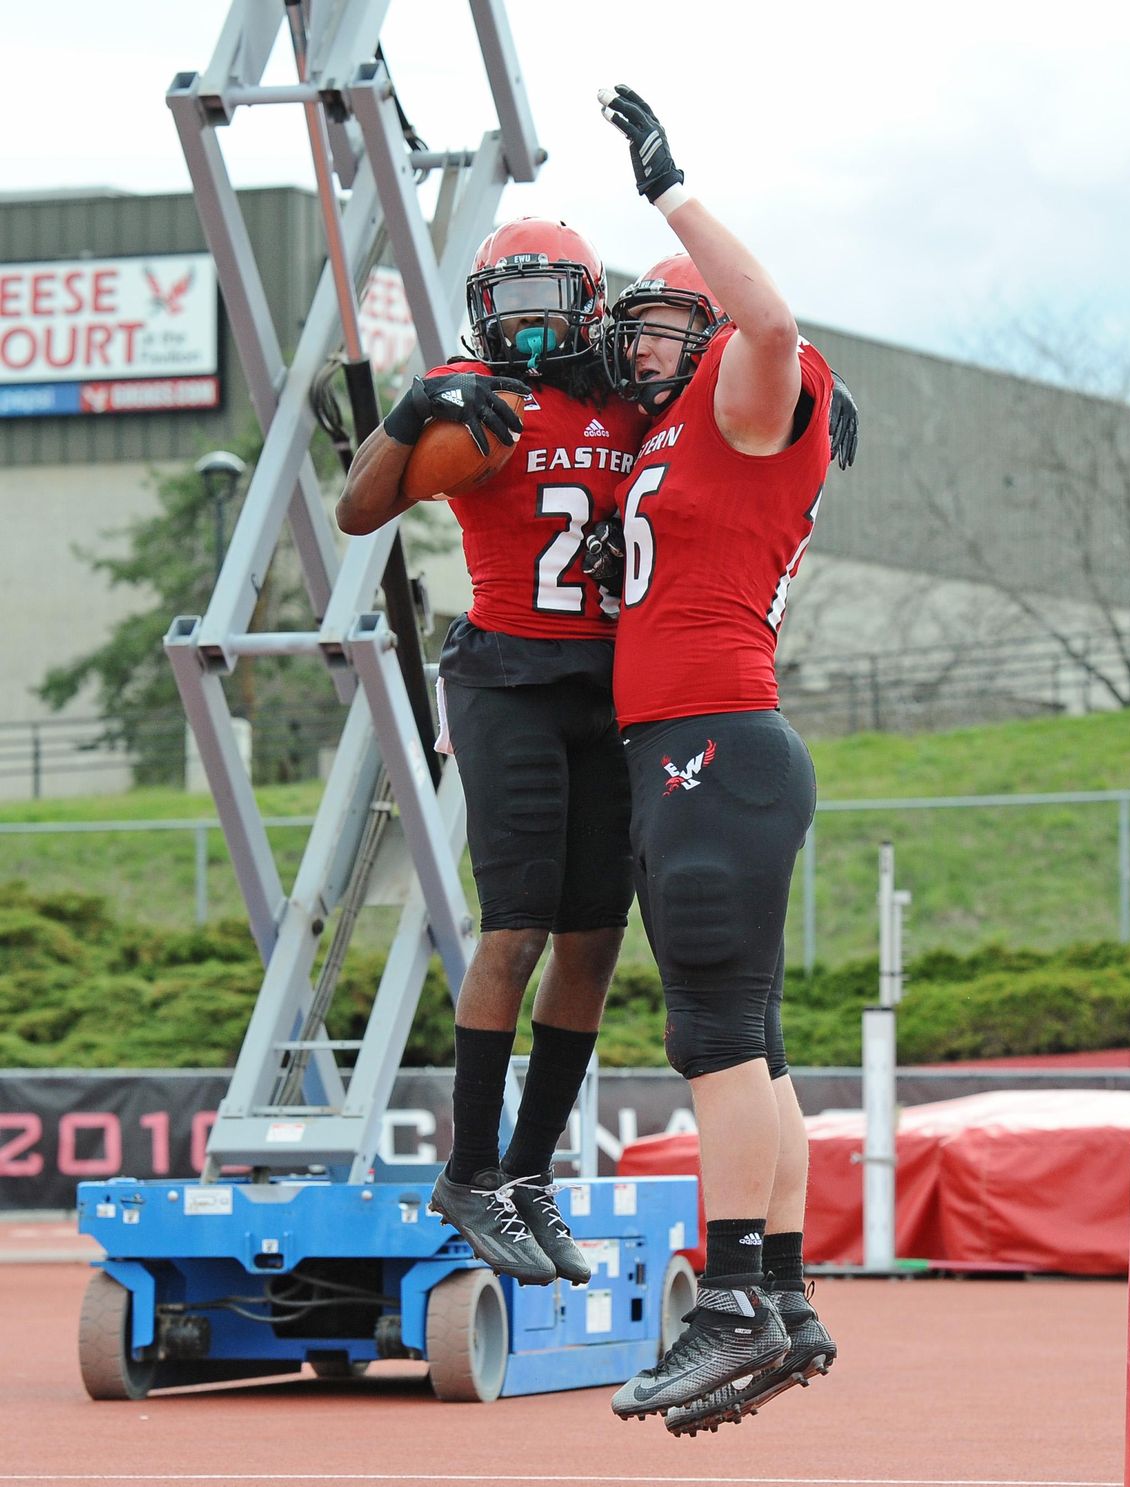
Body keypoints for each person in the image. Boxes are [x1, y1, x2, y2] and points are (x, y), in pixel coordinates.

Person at [590, 86, 856, 1432]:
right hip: (686, 749)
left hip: (717, 745)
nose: (643, 352)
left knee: (711, 1036)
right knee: (749, 1043)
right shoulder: (674, 431)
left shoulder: (751, 393)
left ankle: (734, 1293)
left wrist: (670, 186)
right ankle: (790, 1295)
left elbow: (774, 325)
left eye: (658, 326)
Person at [337, 217, 648, 1288]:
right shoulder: (472, 394)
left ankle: (526, 1171)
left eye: (548, 299)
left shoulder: (625, 384)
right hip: (509, 677)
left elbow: (716, 375)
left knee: (597, 937)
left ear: (589, 302)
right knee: (513, 927)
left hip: (613, 685)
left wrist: (794, 375)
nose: (527, 322)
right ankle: (468, 1167)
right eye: (509, 300)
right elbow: (356, 506)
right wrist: (410, 407)